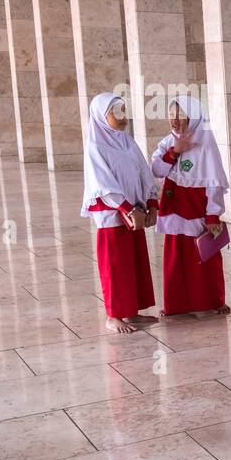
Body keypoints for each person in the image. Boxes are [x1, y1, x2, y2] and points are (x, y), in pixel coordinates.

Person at [82, 92, 158, 334]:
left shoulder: (126, 141)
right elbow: (102, 183)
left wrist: (151, 202)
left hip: (135, 212)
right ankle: (113, 315)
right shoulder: (96, 145)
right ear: (102, 117)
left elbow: (143, 171)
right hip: (113, 215)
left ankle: (132, 311)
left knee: (134, 262)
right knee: (115, 265)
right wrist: (126, 208)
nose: (122, 116)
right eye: (116, 112)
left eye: (123, 110)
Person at [150, 95, 229, 316]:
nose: (175, 120)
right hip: (175, 209)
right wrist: (175, 150)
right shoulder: (168, 141)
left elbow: (214, 183)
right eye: (171, 114)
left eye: (181, 115)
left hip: (198, 211)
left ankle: (213, 301)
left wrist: (213, 215)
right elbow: (156, 170)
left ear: (193, 117)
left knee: (204, 256)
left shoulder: (206, 144)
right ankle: (177, 305)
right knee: (176, 258)